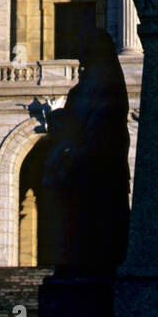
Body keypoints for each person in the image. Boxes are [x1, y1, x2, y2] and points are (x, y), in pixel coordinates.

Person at [41, 27, 131, 273]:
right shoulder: (82, 88)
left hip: (96, 164)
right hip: (82, 164)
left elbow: (105, 121)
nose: (80, 55)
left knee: (96, 223)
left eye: (85, 49)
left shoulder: (105, 81)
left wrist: (80, 145)